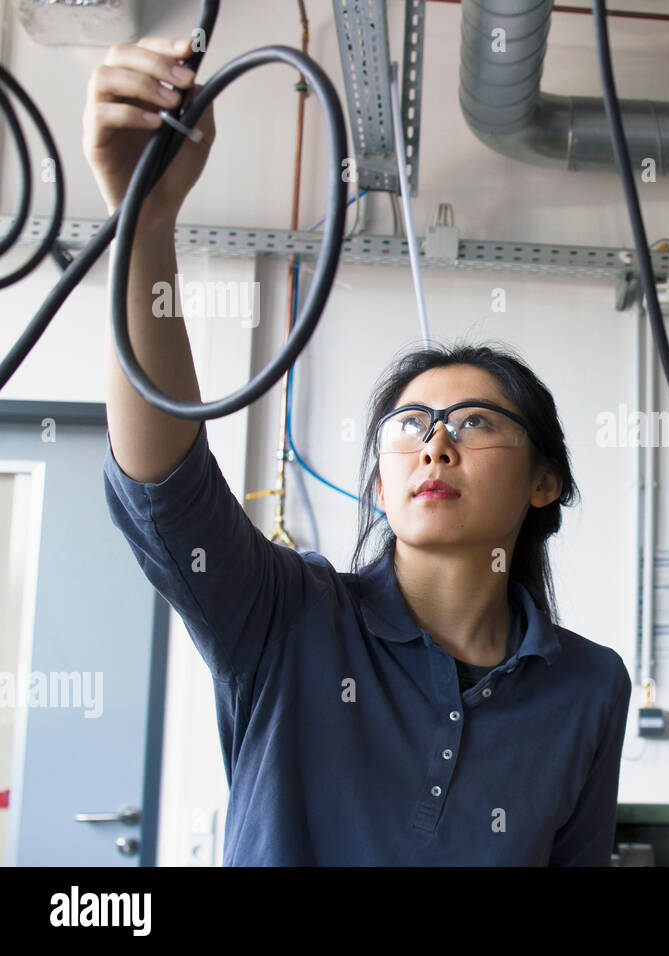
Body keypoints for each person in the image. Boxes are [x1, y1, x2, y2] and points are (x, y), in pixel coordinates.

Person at [87, 35, 631, 865]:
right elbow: (163, 485)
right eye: (408, 427)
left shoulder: (589, 688)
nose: (435, 445)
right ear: (379, 483)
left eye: (476, 422)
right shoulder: (286, 618)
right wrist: (146, 221)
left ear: (544, 482)